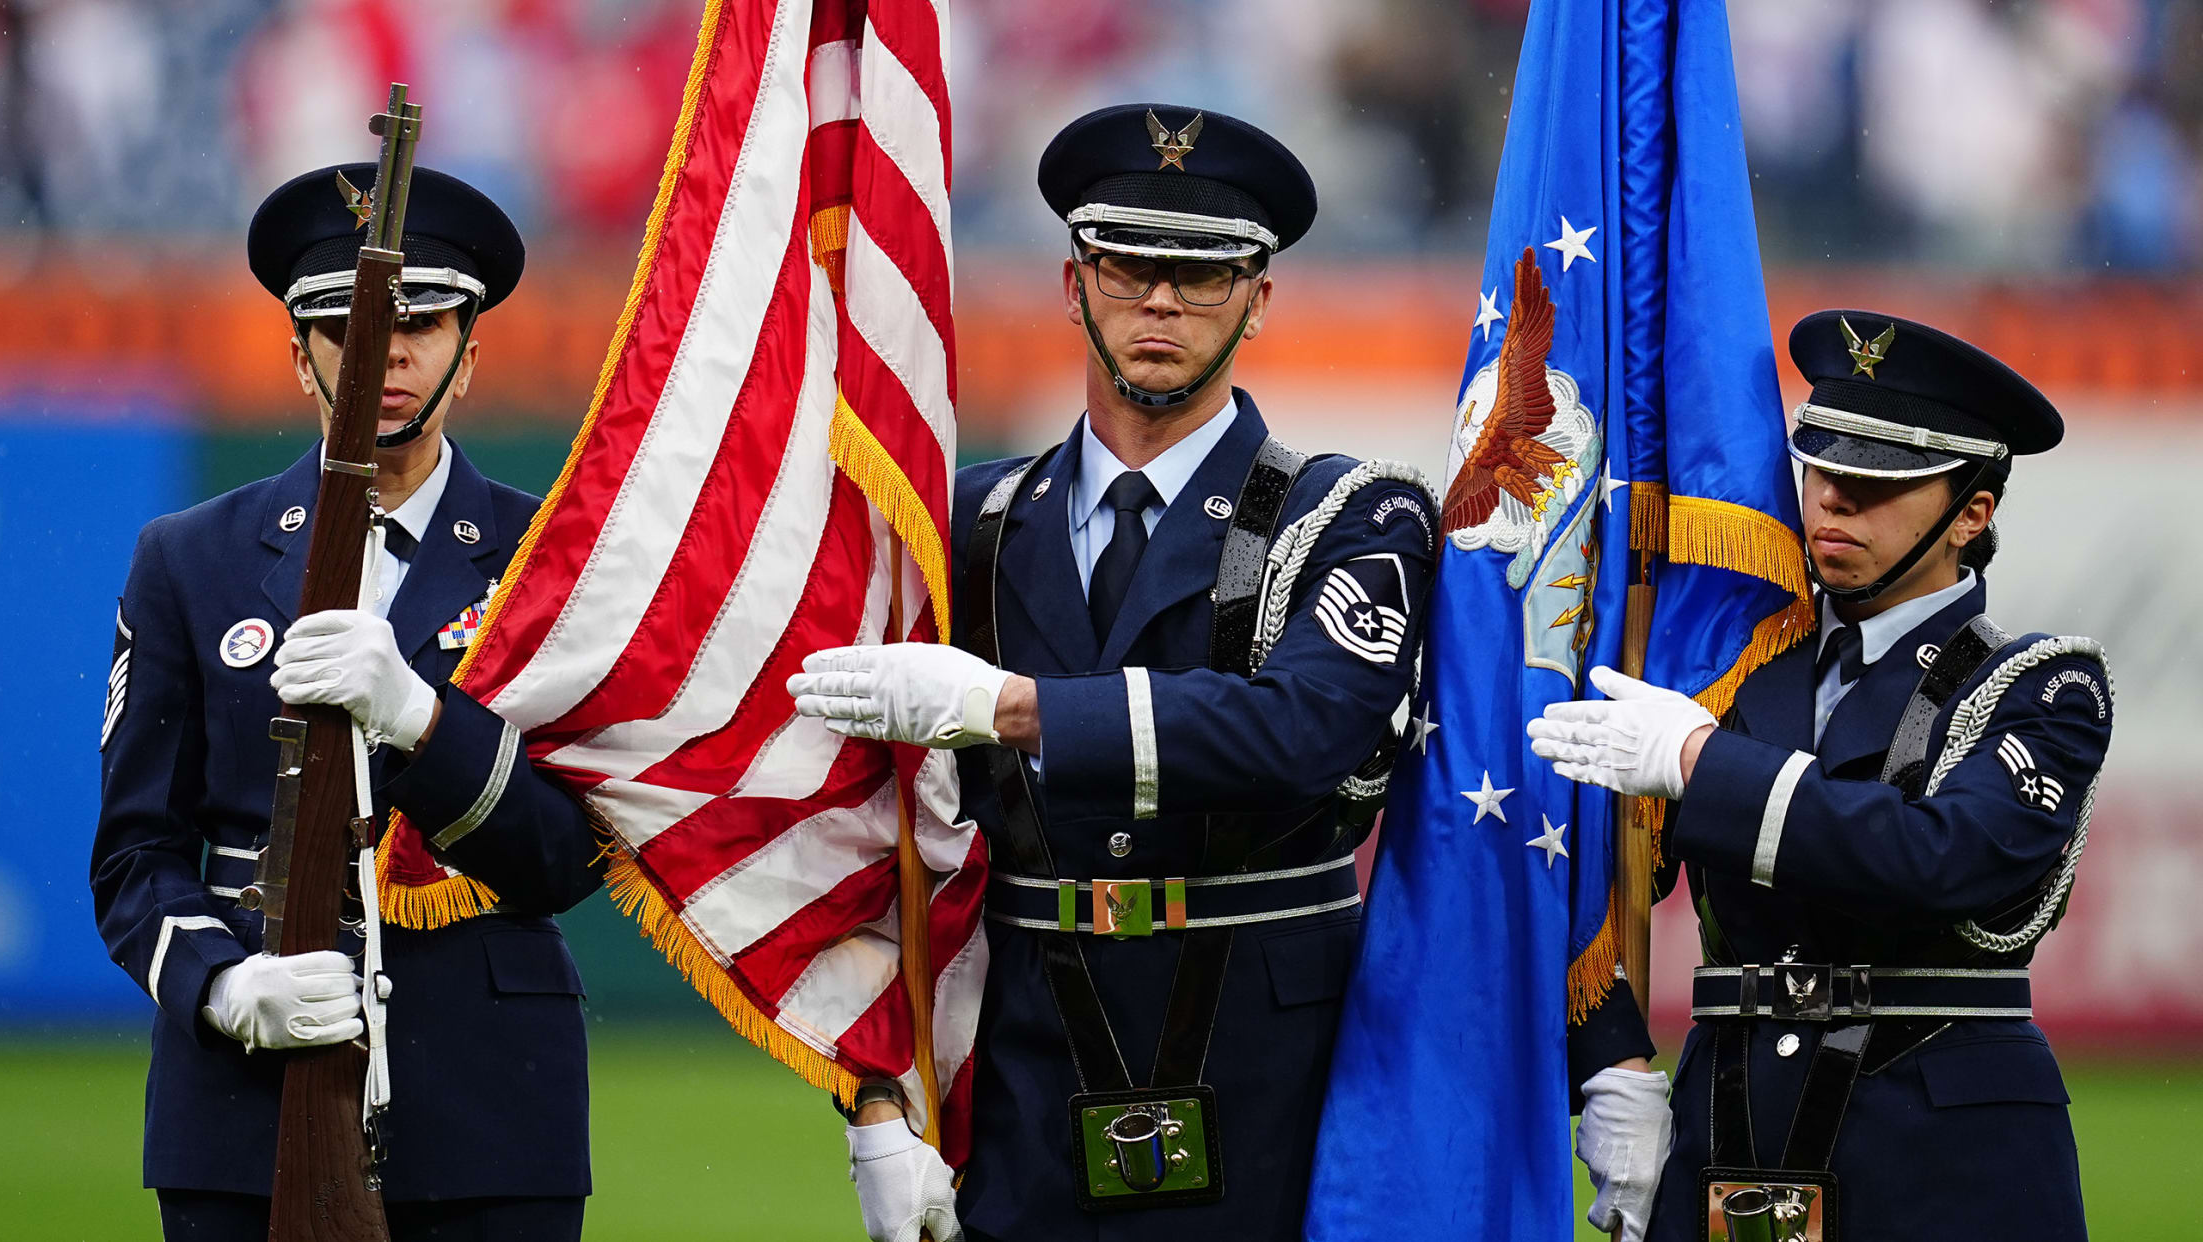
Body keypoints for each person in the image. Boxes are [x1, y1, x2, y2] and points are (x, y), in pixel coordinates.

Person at [785, 104, 1441, 1242]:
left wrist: (1011, 707)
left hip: (1272, 1055)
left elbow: (1305, 727)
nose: (1162, 302)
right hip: (1024, 1054)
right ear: (1075, 281)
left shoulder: (1355, 513)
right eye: (1130, 266)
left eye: (1203, 274)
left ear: (1259, 297)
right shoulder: (971, 519)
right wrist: (879, 1094)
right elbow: (864, 820)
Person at [90, 164, 605, 1241]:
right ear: (298, 354)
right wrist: (223, 989)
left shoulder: (552, 558)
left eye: (422, 322)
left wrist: (422, 721)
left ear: (473, 353)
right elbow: (136, 857)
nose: (388, 352)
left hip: (487, 1106)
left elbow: (572, 855)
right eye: (348, 325)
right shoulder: (190, 561)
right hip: (243, 1102)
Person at [1528, 311, 2110, 1241]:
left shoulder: (2040, 684)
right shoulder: (1736, 663)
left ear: (1973, 511)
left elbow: (1939, 856)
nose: (1834, 500)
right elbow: (1576, 864)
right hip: (1728, 1116)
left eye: (1878, 483)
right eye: (1823, 469)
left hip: (1940, 1150)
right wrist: (1614, 1061)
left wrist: (1697, 761)